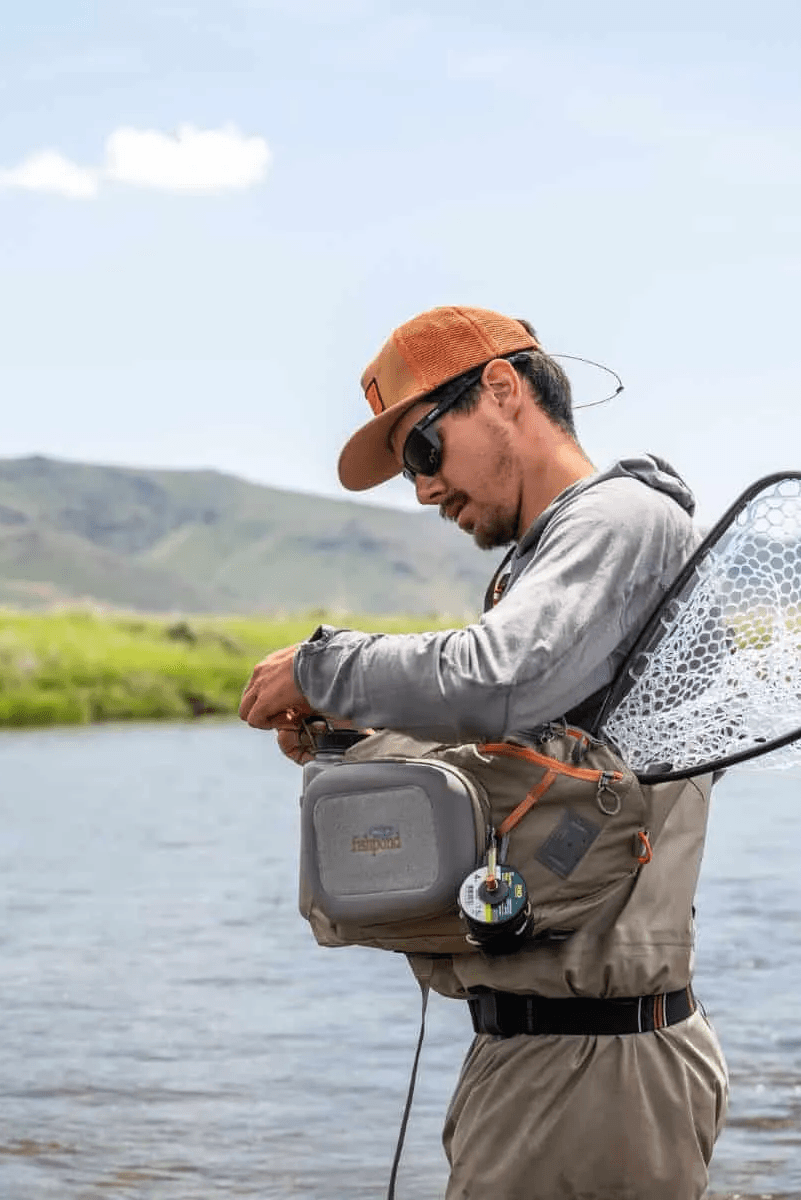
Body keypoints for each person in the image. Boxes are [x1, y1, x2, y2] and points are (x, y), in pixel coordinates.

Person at [239, 305, 728, 1199]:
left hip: (593, 1068)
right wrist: (344, 732)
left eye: (423, 451)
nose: (422, 490)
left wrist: (322, 664)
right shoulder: (563, 550)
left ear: (502, 390)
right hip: (552, 1058)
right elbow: (519, 738)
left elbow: (499, 680)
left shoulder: (620, 518)